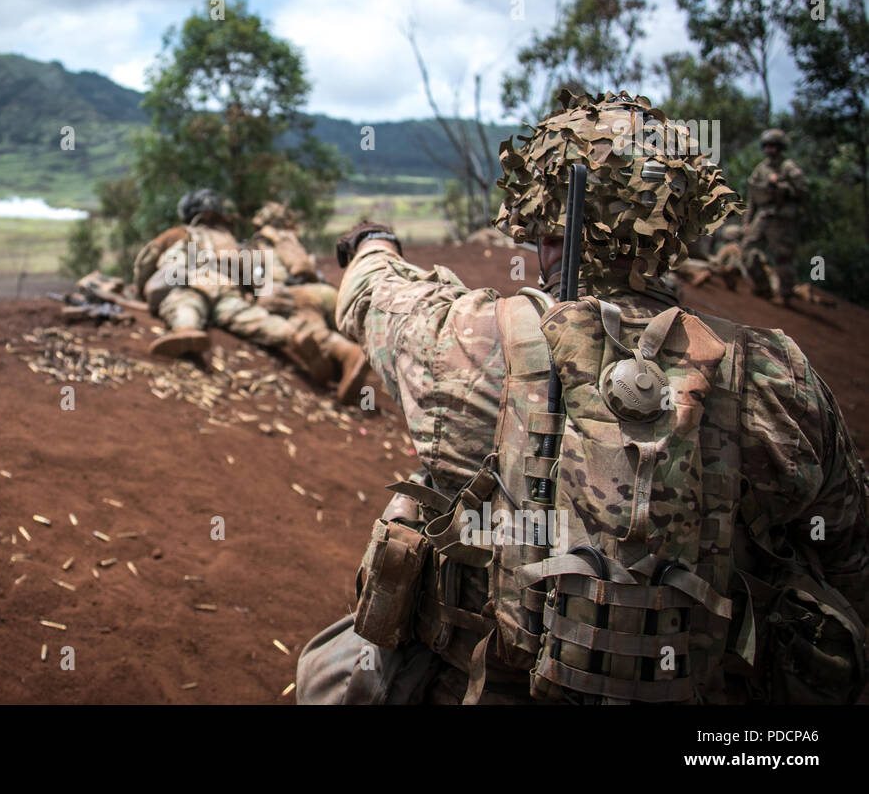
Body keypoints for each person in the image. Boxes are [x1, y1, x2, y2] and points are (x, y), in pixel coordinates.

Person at [297, 91, 869, 705]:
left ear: (545, 227)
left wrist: (373, 242)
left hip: (488, 683)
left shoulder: (462, 337)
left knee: (323, 674)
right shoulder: (775, 370)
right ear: (678, 224)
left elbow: (374, 295)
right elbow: (847, 555)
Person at [131, 189, 328, 377]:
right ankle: (292, 335)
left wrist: (140, 288)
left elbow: (146, 261)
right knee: (248, 317)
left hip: (191, 283)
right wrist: (260, 291)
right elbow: (253, 269)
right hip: (227, 288)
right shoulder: (229, 240)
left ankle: (186, 329)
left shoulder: (179, 233)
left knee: (184, 304)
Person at [246, 202, 369, 403]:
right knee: (344, 329)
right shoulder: (292, 241)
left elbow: (260, 283)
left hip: (298, 295)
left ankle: (347, 354)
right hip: (326, 292)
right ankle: (348, 367)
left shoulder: (256, 246)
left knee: (313, 333)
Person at [742, 128, 807, 304]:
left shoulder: (789, 167)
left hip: (782, 217)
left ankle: (785, 295)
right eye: (767, 146)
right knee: (747, 248)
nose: (770, 150)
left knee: (782, 255)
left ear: (780, 148)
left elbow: (802, 190)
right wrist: (747, 221)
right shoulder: (761, 169)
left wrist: (782, 185)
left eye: (773, 146)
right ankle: (763, 287)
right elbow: (752, 197)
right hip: (763, 214)